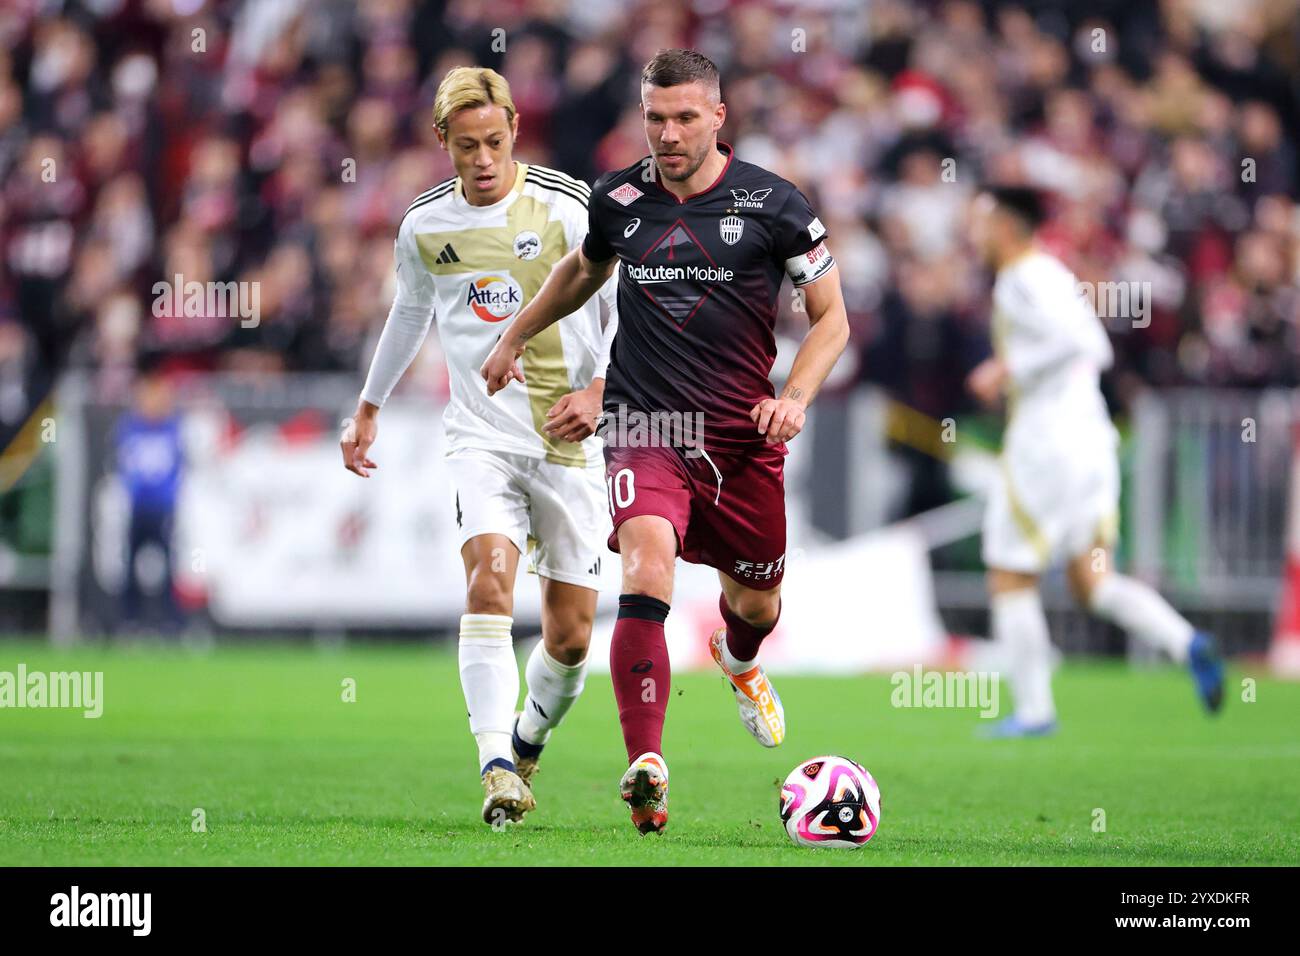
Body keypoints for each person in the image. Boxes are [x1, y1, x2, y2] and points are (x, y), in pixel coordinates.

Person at [481, 49, 849, 834]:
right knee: (645, 569)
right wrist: (515, 336)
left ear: (719, 116)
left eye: (685, 117)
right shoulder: (617, 198)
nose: (669, 133)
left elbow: (833, 320)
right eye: (655, 117)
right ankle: (646, 762)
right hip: (646, 426)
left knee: (758, 601)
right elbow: (581, 273)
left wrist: (795, 398)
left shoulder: (776, 205)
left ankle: (739, 661)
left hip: (743, 440)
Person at [340, 67, 618, 826]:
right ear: (443, 144)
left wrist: (600, 391)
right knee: (489, 587)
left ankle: (528, 739)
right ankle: (496, 764)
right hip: (481, 438)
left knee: (570, 640)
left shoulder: (568, 205)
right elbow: (409, 315)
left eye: (495, 141)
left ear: (515, 132)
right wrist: (368, 408)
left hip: (568, 443)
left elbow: (621, 305)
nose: (484, 158)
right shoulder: (425, 226)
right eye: (468, 146)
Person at [965, 186, 1224, 737]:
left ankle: (1034, 712)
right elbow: (1091, 344)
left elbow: (1086, 342)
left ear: (1007, 228)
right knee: (1093, 581)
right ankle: (1188, 642)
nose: (975, 234)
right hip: (1090, 438)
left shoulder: (1022, 277)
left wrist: (1004, 369)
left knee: (1010, 573)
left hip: (1047, 441)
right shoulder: (1052, 274)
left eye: (982, 223)